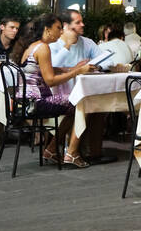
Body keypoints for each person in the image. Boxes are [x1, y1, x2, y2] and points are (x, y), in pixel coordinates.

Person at [18, 13, 95, 168]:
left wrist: (71, 68)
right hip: (36, 102)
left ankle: (52, 149)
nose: (61, 32)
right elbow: (50, 81)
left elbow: (45, 69)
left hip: (25, 100)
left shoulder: (33, 46)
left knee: (75, 104)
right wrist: (77, 72)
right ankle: (72, 153)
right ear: (47, 29)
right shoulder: (44, 48)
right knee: (81, 103)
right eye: (58, 28)